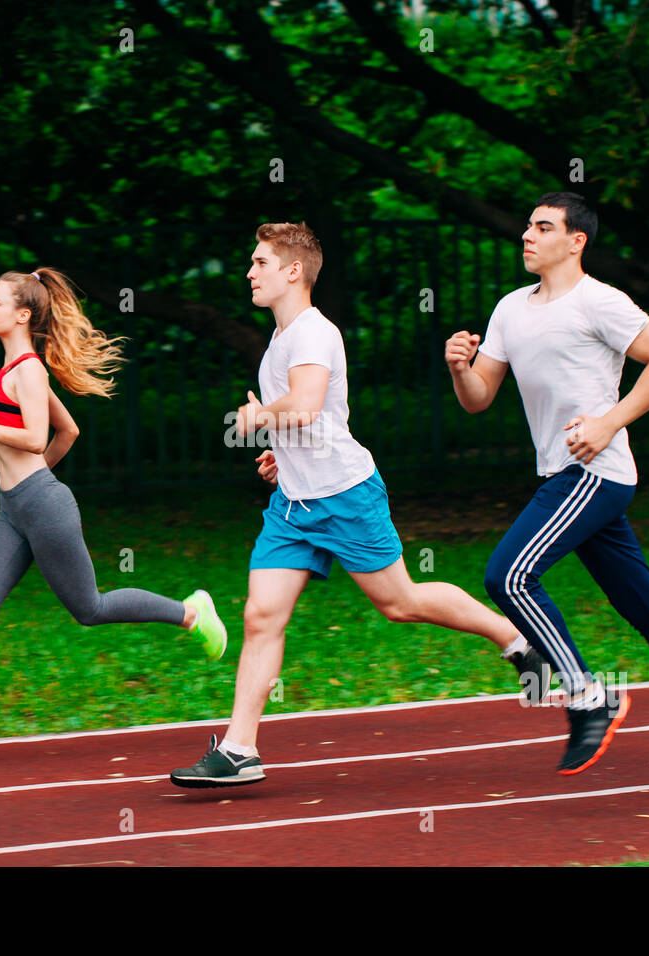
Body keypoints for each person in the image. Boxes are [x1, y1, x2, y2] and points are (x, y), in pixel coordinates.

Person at [169, 222, 547, 788]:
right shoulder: (279, 339)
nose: (250, 272)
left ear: (293, 271)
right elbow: (303, 419)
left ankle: (514, 639)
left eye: (260, 263)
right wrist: (280, 455)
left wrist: (258, 420)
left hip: (345, 496)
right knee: (259, 615)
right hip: (295, 506)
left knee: (401, 603)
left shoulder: (314, 333)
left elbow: (306, 405)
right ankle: (239, 749)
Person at [445, 192, 649, 795]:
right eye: (527, 226)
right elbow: (480, 397)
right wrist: (461, 367)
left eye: (543, 227)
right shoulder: (511, 309)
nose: (527, 236)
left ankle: (589, 697)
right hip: (562, 476)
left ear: (576, 241)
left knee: (507, 577)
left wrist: (609, 421)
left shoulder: (601, 302)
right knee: (646, 607)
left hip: (594, 472)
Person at [0, 268, 226, 747]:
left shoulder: (29, 369)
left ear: (22, 314)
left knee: (89, 608)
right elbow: (69, 431)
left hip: (42, 507)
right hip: (16, 508)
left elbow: (36, 437)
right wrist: (31, 483)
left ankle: (192, 612)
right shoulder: (15, 371)